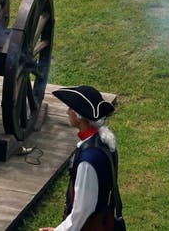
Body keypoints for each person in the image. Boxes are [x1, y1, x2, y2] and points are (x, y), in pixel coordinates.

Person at [40, 84, 124, 231]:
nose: (67, 112)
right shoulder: (103, 142)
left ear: (80, 116)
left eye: (71, 109)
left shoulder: (89, 160)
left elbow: (82, 210)